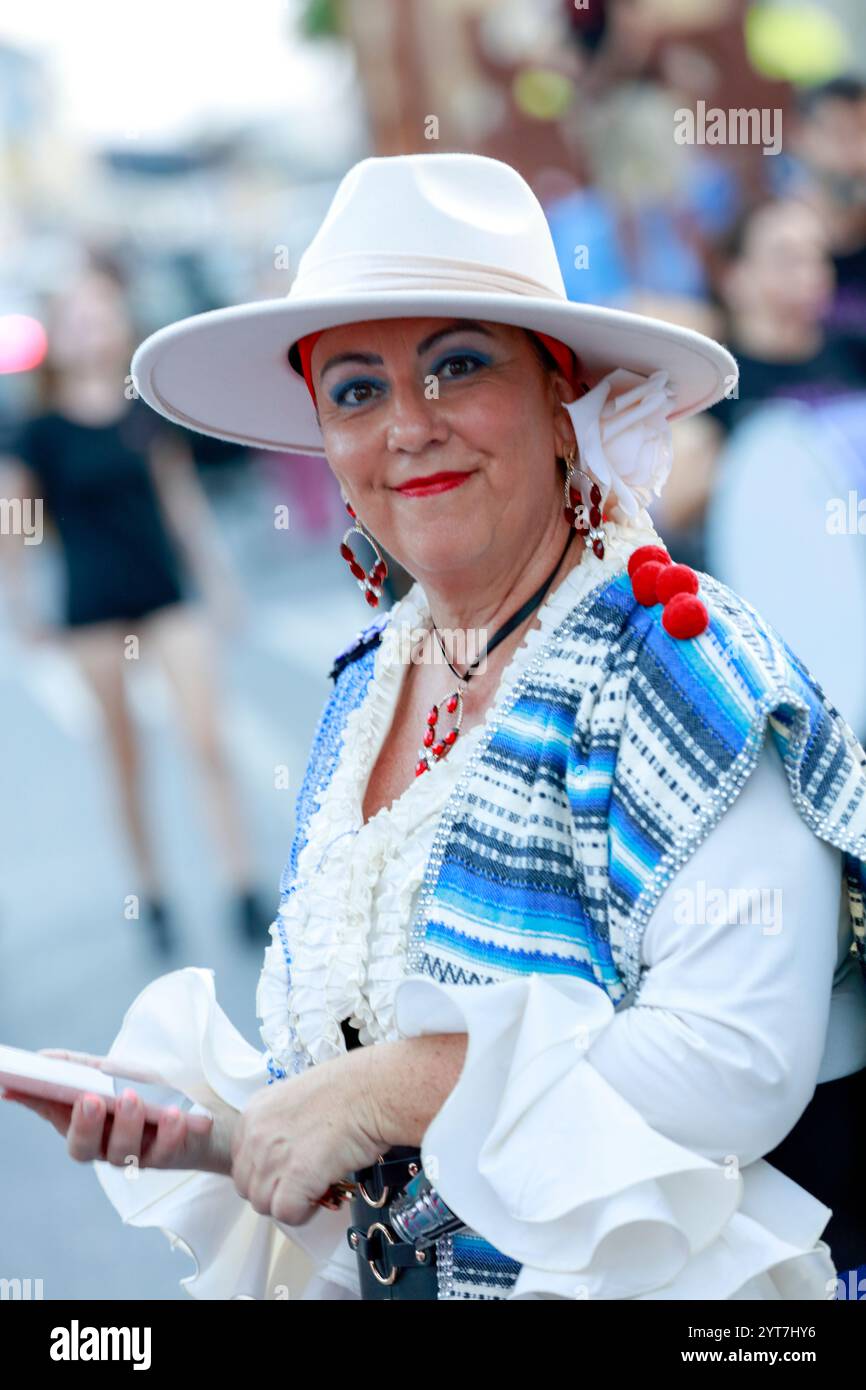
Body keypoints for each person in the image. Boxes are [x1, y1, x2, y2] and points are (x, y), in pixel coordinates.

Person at [4, 153, 866, 1302]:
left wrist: (378, 1092)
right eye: (356, 390)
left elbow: (732, 1065)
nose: (407, 426)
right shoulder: (365, 689)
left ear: (560, 401)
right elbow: (373, 1134)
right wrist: (222, 1129)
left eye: (457, 366)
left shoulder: (677, 659)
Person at [0, 258, 271, 950]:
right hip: (93, 606)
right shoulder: (40, 430)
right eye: (78, 317)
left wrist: (217, 579)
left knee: (207, 739)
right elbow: (18, 518)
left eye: (102, 313)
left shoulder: (144, 408)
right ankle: (151, 894)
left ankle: (240, 884)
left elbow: (179, 501)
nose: (93, 327)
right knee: (125, 756)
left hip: (164, 594)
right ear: (58, 336)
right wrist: (20, 601)